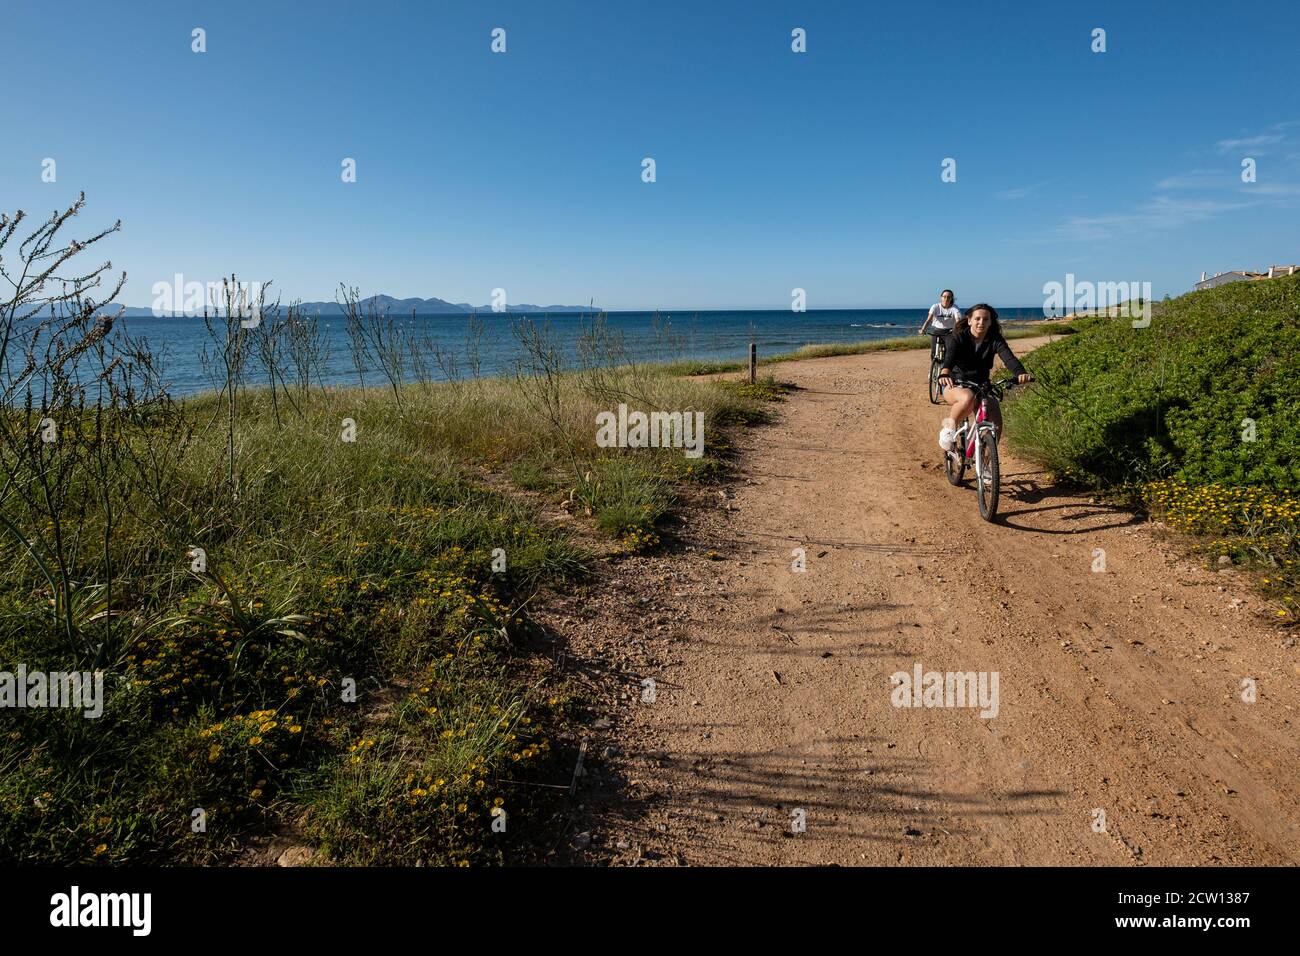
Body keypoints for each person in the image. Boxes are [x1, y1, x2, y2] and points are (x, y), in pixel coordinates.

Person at [936, 304, 1033, 451]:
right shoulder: (958, 337)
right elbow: (949, 357)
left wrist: (1020, 373)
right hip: (954, 383)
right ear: (969, 320)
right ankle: (948, 429)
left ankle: (987, 467)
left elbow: (1009, 358)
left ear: (990, 322)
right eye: (977, 319)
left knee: (996, 421)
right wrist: (944, 371)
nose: (981, 322)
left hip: (981, 385)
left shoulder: (995, 340)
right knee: (967, 398)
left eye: (985, 319)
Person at [918, 289, 959, 363]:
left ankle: (946, 369)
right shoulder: (935, 307)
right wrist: (923, 329)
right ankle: (933, 369)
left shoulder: (954, 308)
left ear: (951, 298)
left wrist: (957, 330)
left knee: (949, 351)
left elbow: (958, 320)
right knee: (933, 352)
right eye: (944, 296)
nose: (946, 299)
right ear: (941, 297)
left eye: (948, 297)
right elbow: (928, 320)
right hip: (937, 331)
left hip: (950, 331)